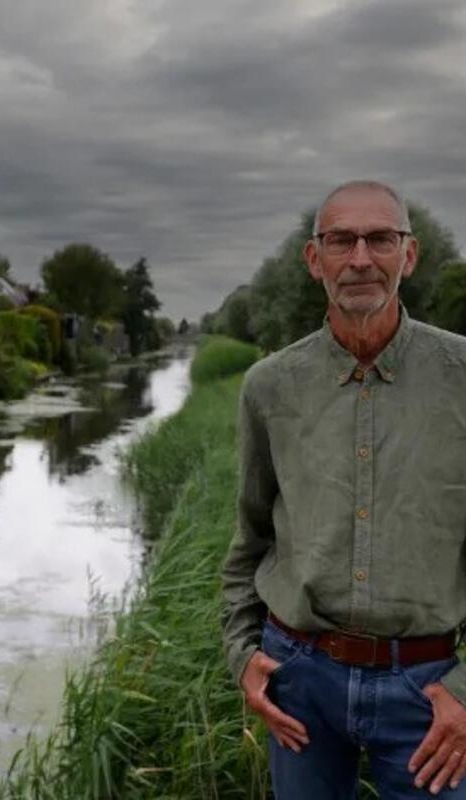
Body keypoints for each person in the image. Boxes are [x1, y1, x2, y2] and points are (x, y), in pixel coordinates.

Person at [220, 180, 466, 798]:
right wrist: (242, 655)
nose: (361, 258)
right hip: (297, 678)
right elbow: (250, 539)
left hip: (429, 689)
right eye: (341, 240)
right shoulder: (269, 387)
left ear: (408, 255)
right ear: (314, 259)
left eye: (380, 238)